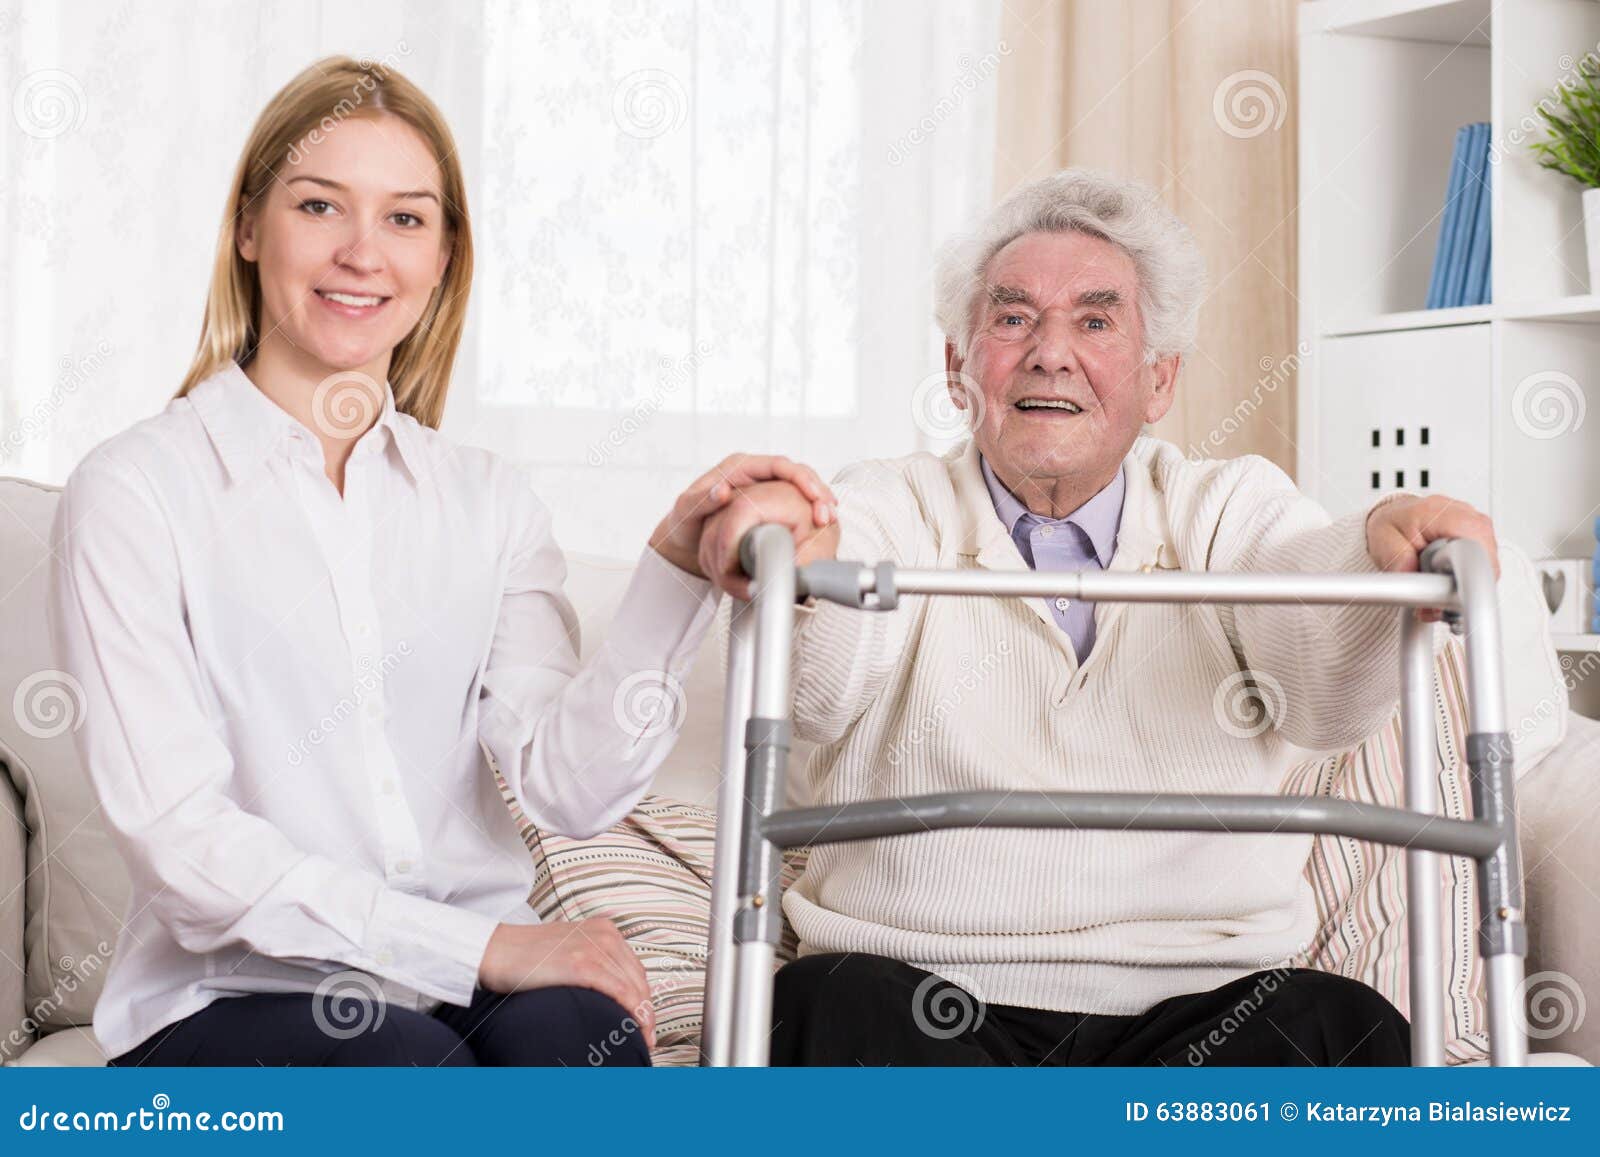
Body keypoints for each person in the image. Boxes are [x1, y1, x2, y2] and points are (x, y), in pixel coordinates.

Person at [48, 56, 831, 1068]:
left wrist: (677, 568)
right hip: (230, 998)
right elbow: (183, 843)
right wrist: (482, 946)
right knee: (409, 1065)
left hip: (461, 987)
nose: (362, 252)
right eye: (319, 205)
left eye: (406, 218)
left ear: (446, 255)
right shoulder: (136, 491)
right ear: (248, 229)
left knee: (582, 1041)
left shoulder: (485, 500)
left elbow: (568, 790)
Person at [694, 168, 1501, 1066]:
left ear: (1160, 379)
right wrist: (803, 553)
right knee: (820, 1002)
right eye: (1013, 318)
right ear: (958, 368)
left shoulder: (1224, 506)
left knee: (1342, 1023)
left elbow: (1319, 665)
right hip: (925, 1002)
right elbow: (817, 675)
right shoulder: (898, 504)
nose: (1050, 353)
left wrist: (1378, 542)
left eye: (1095, 321)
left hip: (1198, 1019)